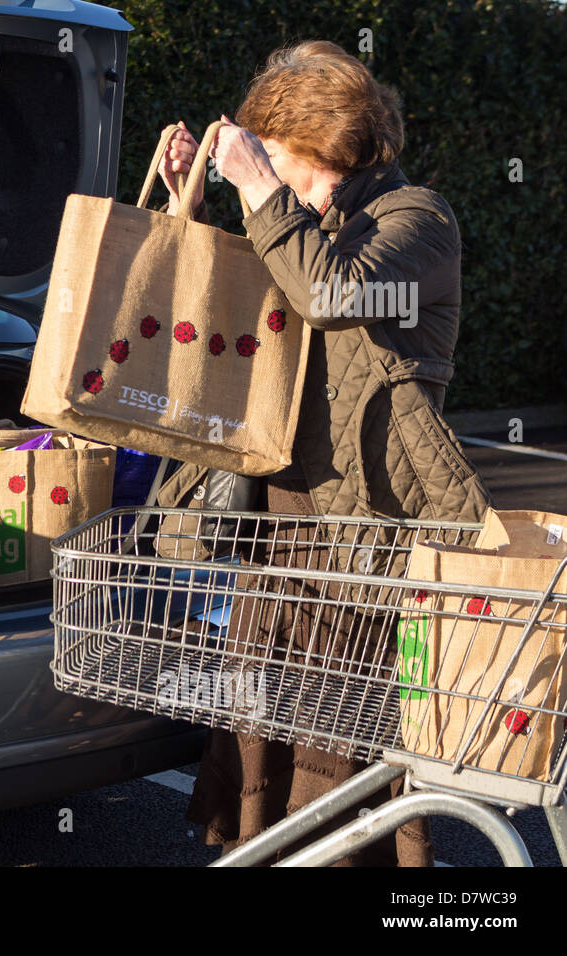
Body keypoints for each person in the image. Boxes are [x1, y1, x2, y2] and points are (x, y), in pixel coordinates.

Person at [152, 41, 492, 866]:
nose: (261, 170)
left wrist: (262, 189)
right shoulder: (303, 227)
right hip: (275, 536)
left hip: (361, 541)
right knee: (264, 754)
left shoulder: (419, 222)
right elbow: (223, 316)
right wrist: (190, 202)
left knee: (338, 780)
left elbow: (331, 293)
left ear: (315, 145)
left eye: (274, 153)